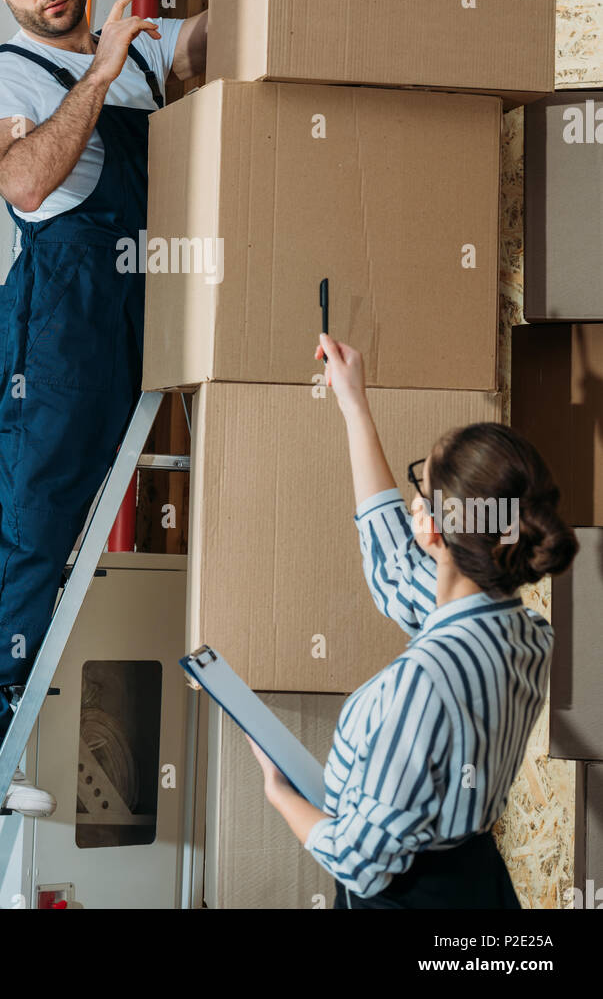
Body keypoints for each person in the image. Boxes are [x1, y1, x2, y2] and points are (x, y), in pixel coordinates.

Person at [0, 0, 207, 812]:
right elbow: (27, 183)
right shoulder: (5, 79)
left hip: (136, 304)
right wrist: (100, 70)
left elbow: (211, 35)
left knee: (60, 528)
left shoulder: (136, 48)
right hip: (61, 323)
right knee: (32, 528)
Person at [248, 330, 578, 909]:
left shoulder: (422, 683)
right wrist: (354, 403)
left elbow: (359, 862)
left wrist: (278, 792)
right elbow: (395, 573)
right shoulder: (522, 632)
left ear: (430, 527)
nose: (411, 499)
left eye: (418, 487)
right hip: (478, 885)